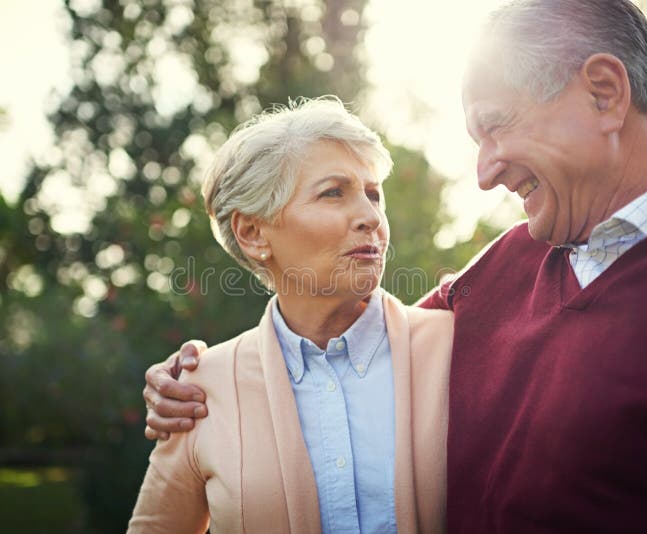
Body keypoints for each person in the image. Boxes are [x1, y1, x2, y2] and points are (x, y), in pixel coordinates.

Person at [144, 1, 647, 532]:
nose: (485, 173)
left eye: (496, 126)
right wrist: (191, 376)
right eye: (333, 193)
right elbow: (353, 345)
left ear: (603, 93)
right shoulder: (500, 273)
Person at [128, 97, 453, 533]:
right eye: (333, 192)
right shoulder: (198, 389)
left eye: (373, 194)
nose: (370, 217)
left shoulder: (458, 345)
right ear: (252, 233)